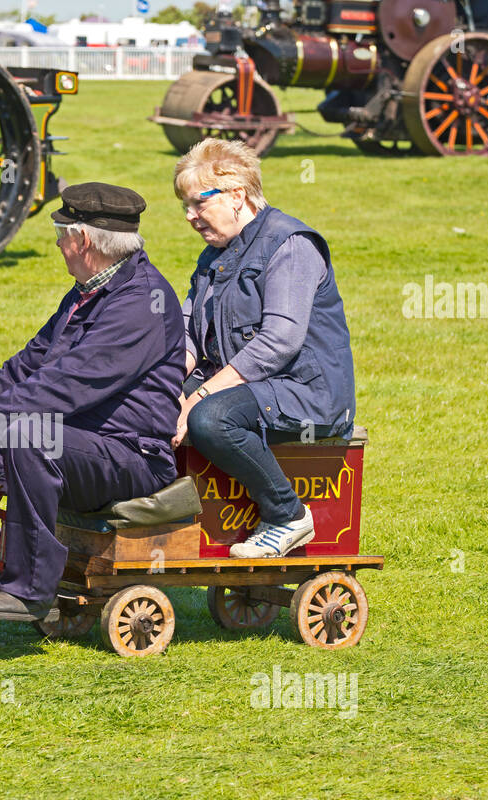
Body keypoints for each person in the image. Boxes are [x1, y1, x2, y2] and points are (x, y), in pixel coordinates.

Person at [0, 183, 185, 621]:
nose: (57, 242)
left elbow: (62, 388)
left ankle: (29, 591)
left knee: (28, 433)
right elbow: (24, 371)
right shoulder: (87, 289)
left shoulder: (143, 302)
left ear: (83, 240)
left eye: (60, 232)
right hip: (78, 441)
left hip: (130, 455)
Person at [173, 139, 356, 559]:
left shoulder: (290, 244)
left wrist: (197, 395)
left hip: (305, 391)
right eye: (183, 205)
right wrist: (165, 387)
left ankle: (287, 515)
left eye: (197, 203)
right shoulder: (213, 256)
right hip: (254, 384)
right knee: (147, 400)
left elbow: (280, 341)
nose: (189, 216)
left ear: (237, 195)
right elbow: (187, 332)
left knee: (212, 420)